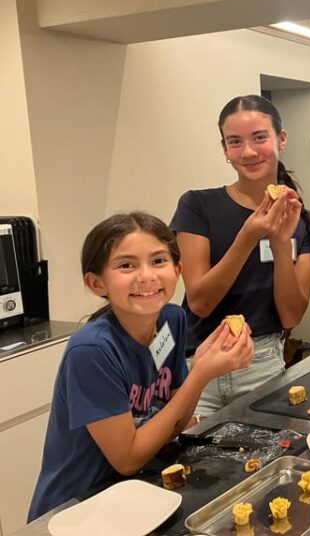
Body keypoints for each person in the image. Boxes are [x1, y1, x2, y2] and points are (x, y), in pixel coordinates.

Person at [28, 213, 253, 521]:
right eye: (126, 265)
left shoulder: (172, 320)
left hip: (136, 493)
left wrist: (200, 368)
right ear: (97, 283)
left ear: (177, 270)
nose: (146, 276)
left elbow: (176, 420)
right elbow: (128, 459)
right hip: (78, 507)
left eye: (158, 261)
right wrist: (201, 374)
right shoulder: (92, 351)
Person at [170, 95, 310, 417]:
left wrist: (281, 244)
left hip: (263, 362)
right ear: (225, 149)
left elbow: (291, 316)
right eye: (235, 142)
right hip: (199, 363)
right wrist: (249, 235)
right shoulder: (197, 206)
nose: (249, 152)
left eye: (259, 137)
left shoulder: (306, 222)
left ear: (281, 139)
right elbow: (200, 302)